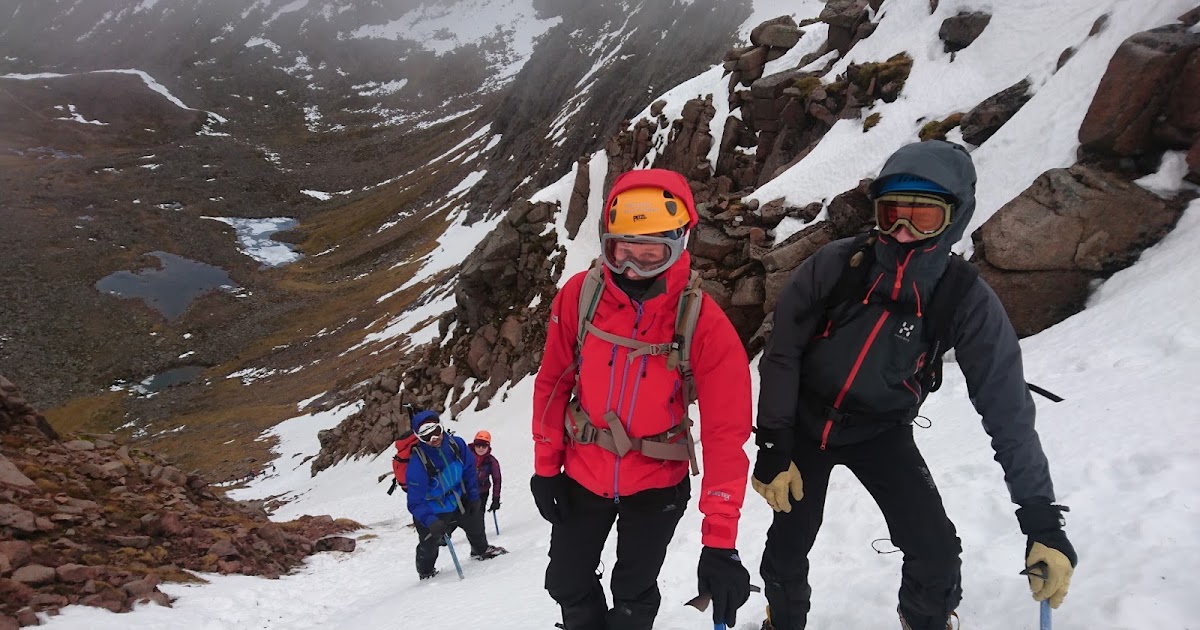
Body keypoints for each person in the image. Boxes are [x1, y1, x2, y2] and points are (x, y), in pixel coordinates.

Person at [752, 140, 1077, 629]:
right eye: (891, 214)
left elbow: (1006, 408)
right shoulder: (838, 265)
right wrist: (775, 443)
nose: (903, 231)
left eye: (923, 217)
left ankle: (925, 619)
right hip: (805, 423)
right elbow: (783, 354)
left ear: (954, 218)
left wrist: (1041, 519)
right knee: (788, 545)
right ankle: (783, 621)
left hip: (881, 431)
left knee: (936, 551)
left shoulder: (963, 297)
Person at [531, 168, 754, 630]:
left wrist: (720, 542)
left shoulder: (702, 322)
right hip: (584, 472)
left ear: (679, 246)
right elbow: (553, 383)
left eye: (651, 254)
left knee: (633, 595)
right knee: (566, 581)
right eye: (621, 251)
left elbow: (725, 435)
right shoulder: (580, 297)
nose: (632, 269)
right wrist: (546, 468)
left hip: (657, 482)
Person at [406, 410, 504, 580]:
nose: (433, 438)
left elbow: (469, 471)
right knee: (429, 543)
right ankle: (426, 572)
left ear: (441, 427)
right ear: (419, 438)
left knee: (475, 522)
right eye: (426, 436)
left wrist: (473, 497)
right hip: (433, 509)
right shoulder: (418, 464)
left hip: (458, 499)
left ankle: (480, 550)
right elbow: (415, 502)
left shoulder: (456, 445)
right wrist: (430, 521)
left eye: (436, 431)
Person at [472, 430, 503, 514]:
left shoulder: (491, 461)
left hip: (482, 493)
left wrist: (495, 499)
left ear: (488, 447)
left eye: (484, 446)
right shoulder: (466, 456)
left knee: (478, 515)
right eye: (478, 445)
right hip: (465, 492)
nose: (481, 448)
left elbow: (497, 480)